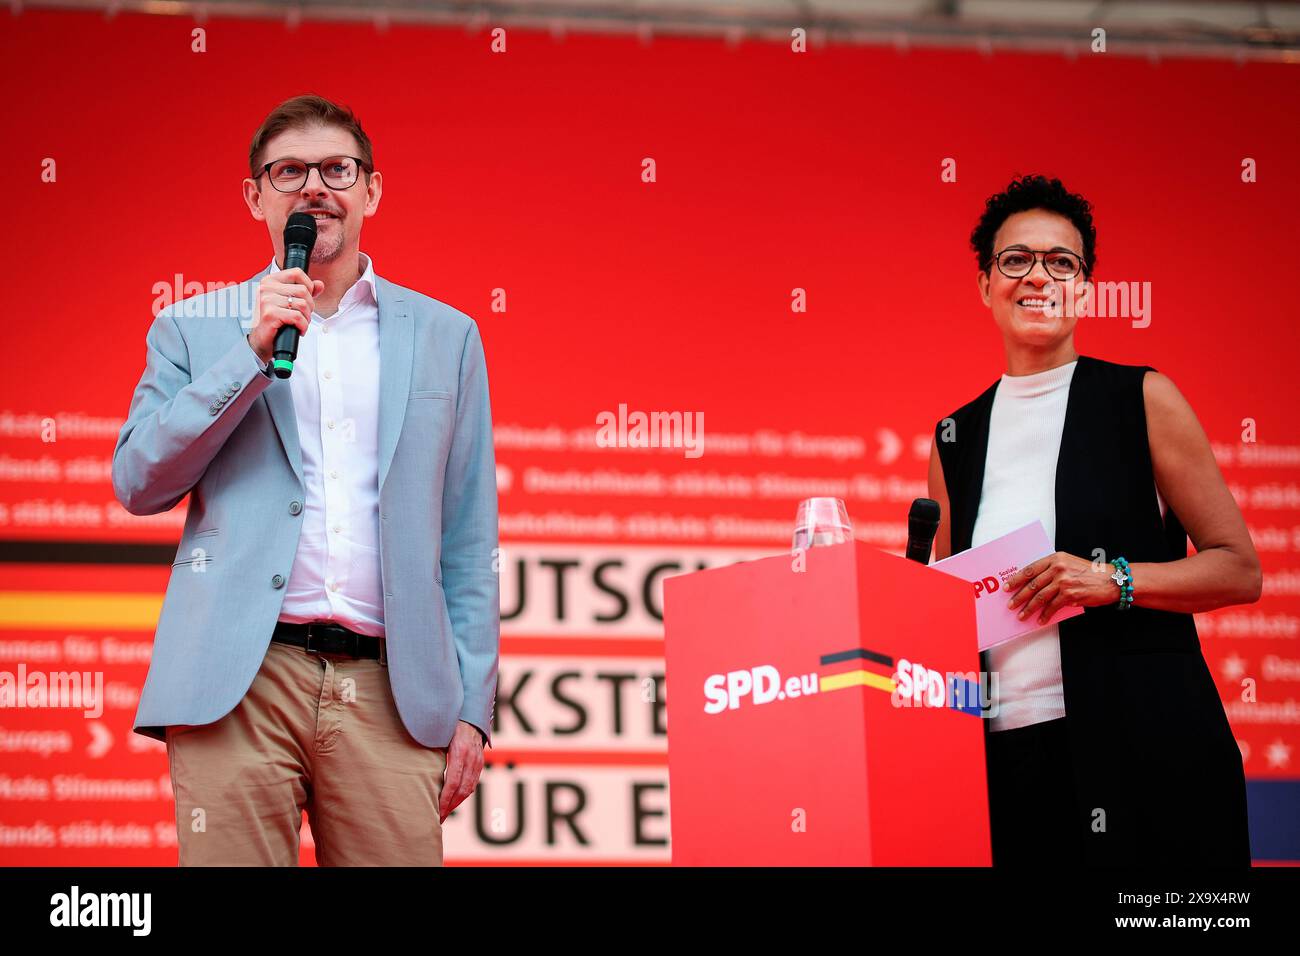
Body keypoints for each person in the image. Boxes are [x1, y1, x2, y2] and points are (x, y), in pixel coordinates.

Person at [112, 94, 500, 865]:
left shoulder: (449, 336)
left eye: (337, 169)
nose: (314, 187)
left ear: (372, 190)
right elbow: (140, 478)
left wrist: (474, 708)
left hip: (393, 690)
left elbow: (469, 535)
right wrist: (249, 354)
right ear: (256, 196)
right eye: (289, 171)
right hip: (239, 681)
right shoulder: (194, 327)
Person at [927, 174, 1259, 866]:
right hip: (1008, 763)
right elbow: (952, 613)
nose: (1038, 276)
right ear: (985, 285)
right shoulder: (956, 435)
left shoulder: (1142, 398)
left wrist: (1114, 581)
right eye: (1015, 259)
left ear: (1084, 289)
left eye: (1062, 262)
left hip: (1146, 746)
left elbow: (1238, 567)